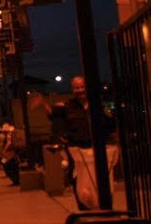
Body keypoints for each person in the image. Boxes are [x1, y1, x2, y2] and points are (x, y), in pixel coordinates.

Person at [38, 76, 119, 209]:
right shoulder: (67, 106)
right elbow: (53, 117)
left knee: (99, 180)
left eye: (82, 87)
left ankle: (103, 208)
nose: (80, 90)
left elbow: (110, 125)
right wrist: (43, 103)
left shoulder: (97, 106)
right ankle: (85, 210)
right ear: (72, 89)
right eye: (77, 88)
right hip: (76, 151)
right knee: (79, 182)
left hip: (96, 150)